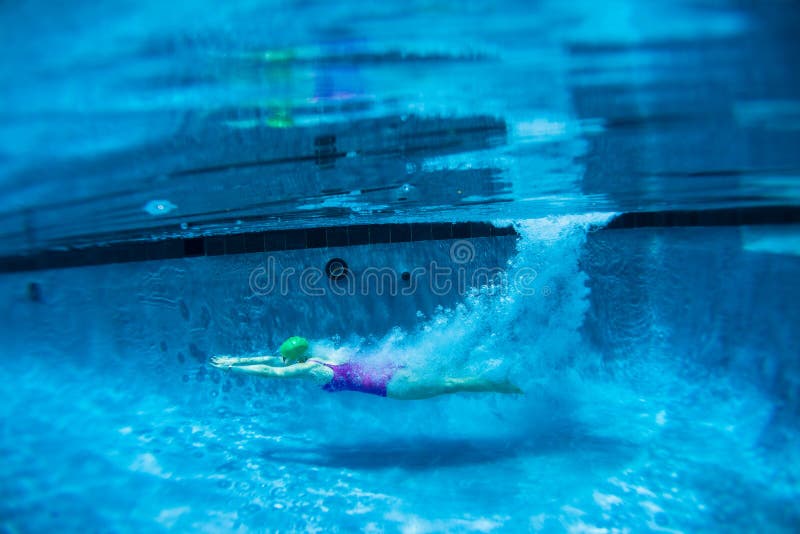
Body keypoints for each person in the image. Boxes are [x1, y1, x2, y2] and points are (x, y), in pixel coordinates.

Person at [210, 336, 522, 400]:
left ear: (294, 359)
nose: (281, 360)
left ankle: (503, 385)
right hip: (393, 369)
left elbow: (272, 371)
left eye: (285, 357)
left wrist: (233, 371)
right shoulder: (320, 354)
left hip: (395, 386)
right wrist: (235, 360)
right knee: (450, 376)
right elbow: (271, 359)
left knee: (453, 385)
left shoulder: (310, 370)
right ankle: (498, 374)